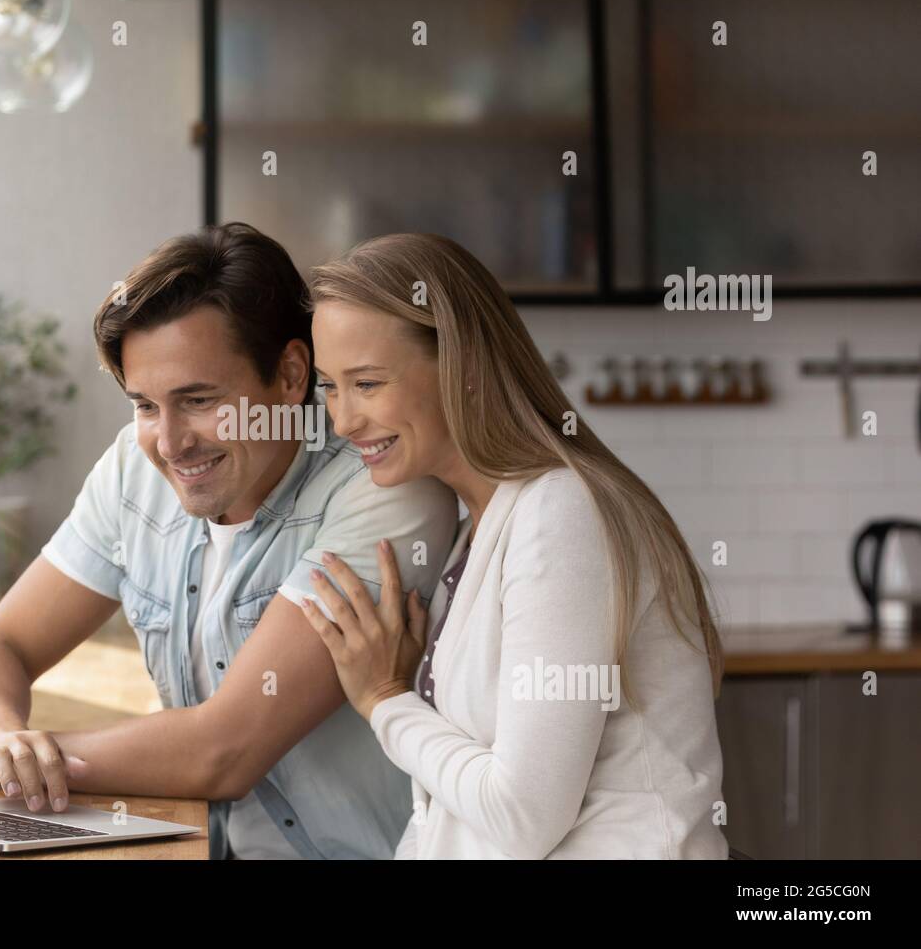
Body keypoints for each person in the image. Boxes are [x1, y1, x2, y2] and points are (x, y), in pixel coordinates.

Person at [0, 223, 459, 859]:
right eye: (145, 405)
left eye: (199, 400)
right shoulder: (134, 470)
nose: (171, 443)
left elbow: (223, 750)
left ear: (290, 376)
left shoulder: (384, 490)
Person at [297, 232, 729, 859]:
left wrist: (386, 702)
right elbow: (452, 810)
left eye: (367, 383)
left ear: (462, 369)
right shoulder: (481, 523)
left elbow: (522, 815)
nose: (343, 420)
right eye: (329, 386)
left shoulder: (562, 512)